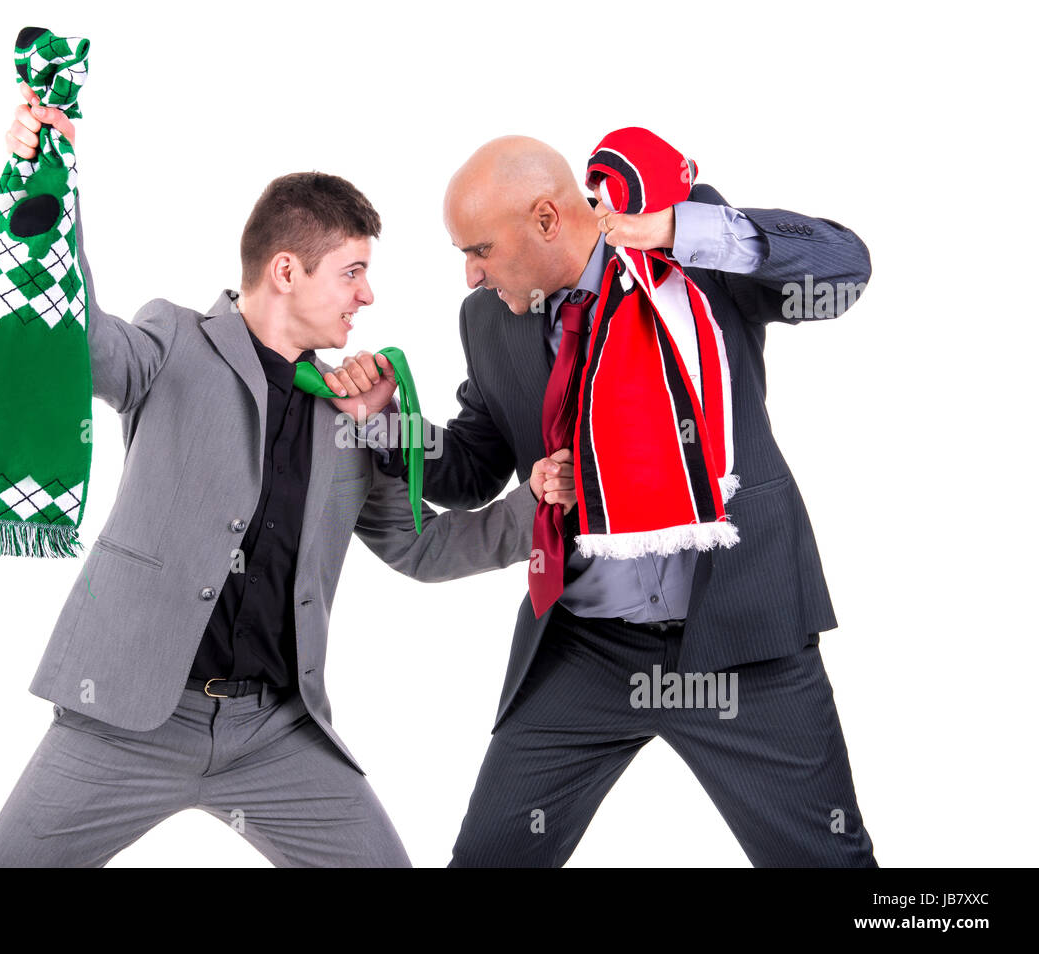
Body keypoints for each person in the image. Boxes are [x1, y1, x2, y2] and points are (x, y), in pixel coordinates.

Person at [0, 88, 561, 868]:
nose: (368, 295)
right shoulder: (173, 342)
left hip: (273, 733)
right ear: (287, 270)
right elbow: (80, 336)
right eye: (352, 272)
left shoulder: (349, 410)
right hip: (123, 717)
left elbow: (421, 546)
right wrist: (49, 184)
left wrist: (542, 502)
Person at [332, 134, 878, 867]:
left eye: (481, 249)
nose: (469, 275)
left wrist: (683, 229)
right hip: (586, 647)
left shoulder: (692, 263)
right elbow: (471, 466)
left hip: (741, 640)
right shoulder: (491, 321)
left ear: (549, 219)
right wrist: (386, 423)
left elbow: (846, 268)